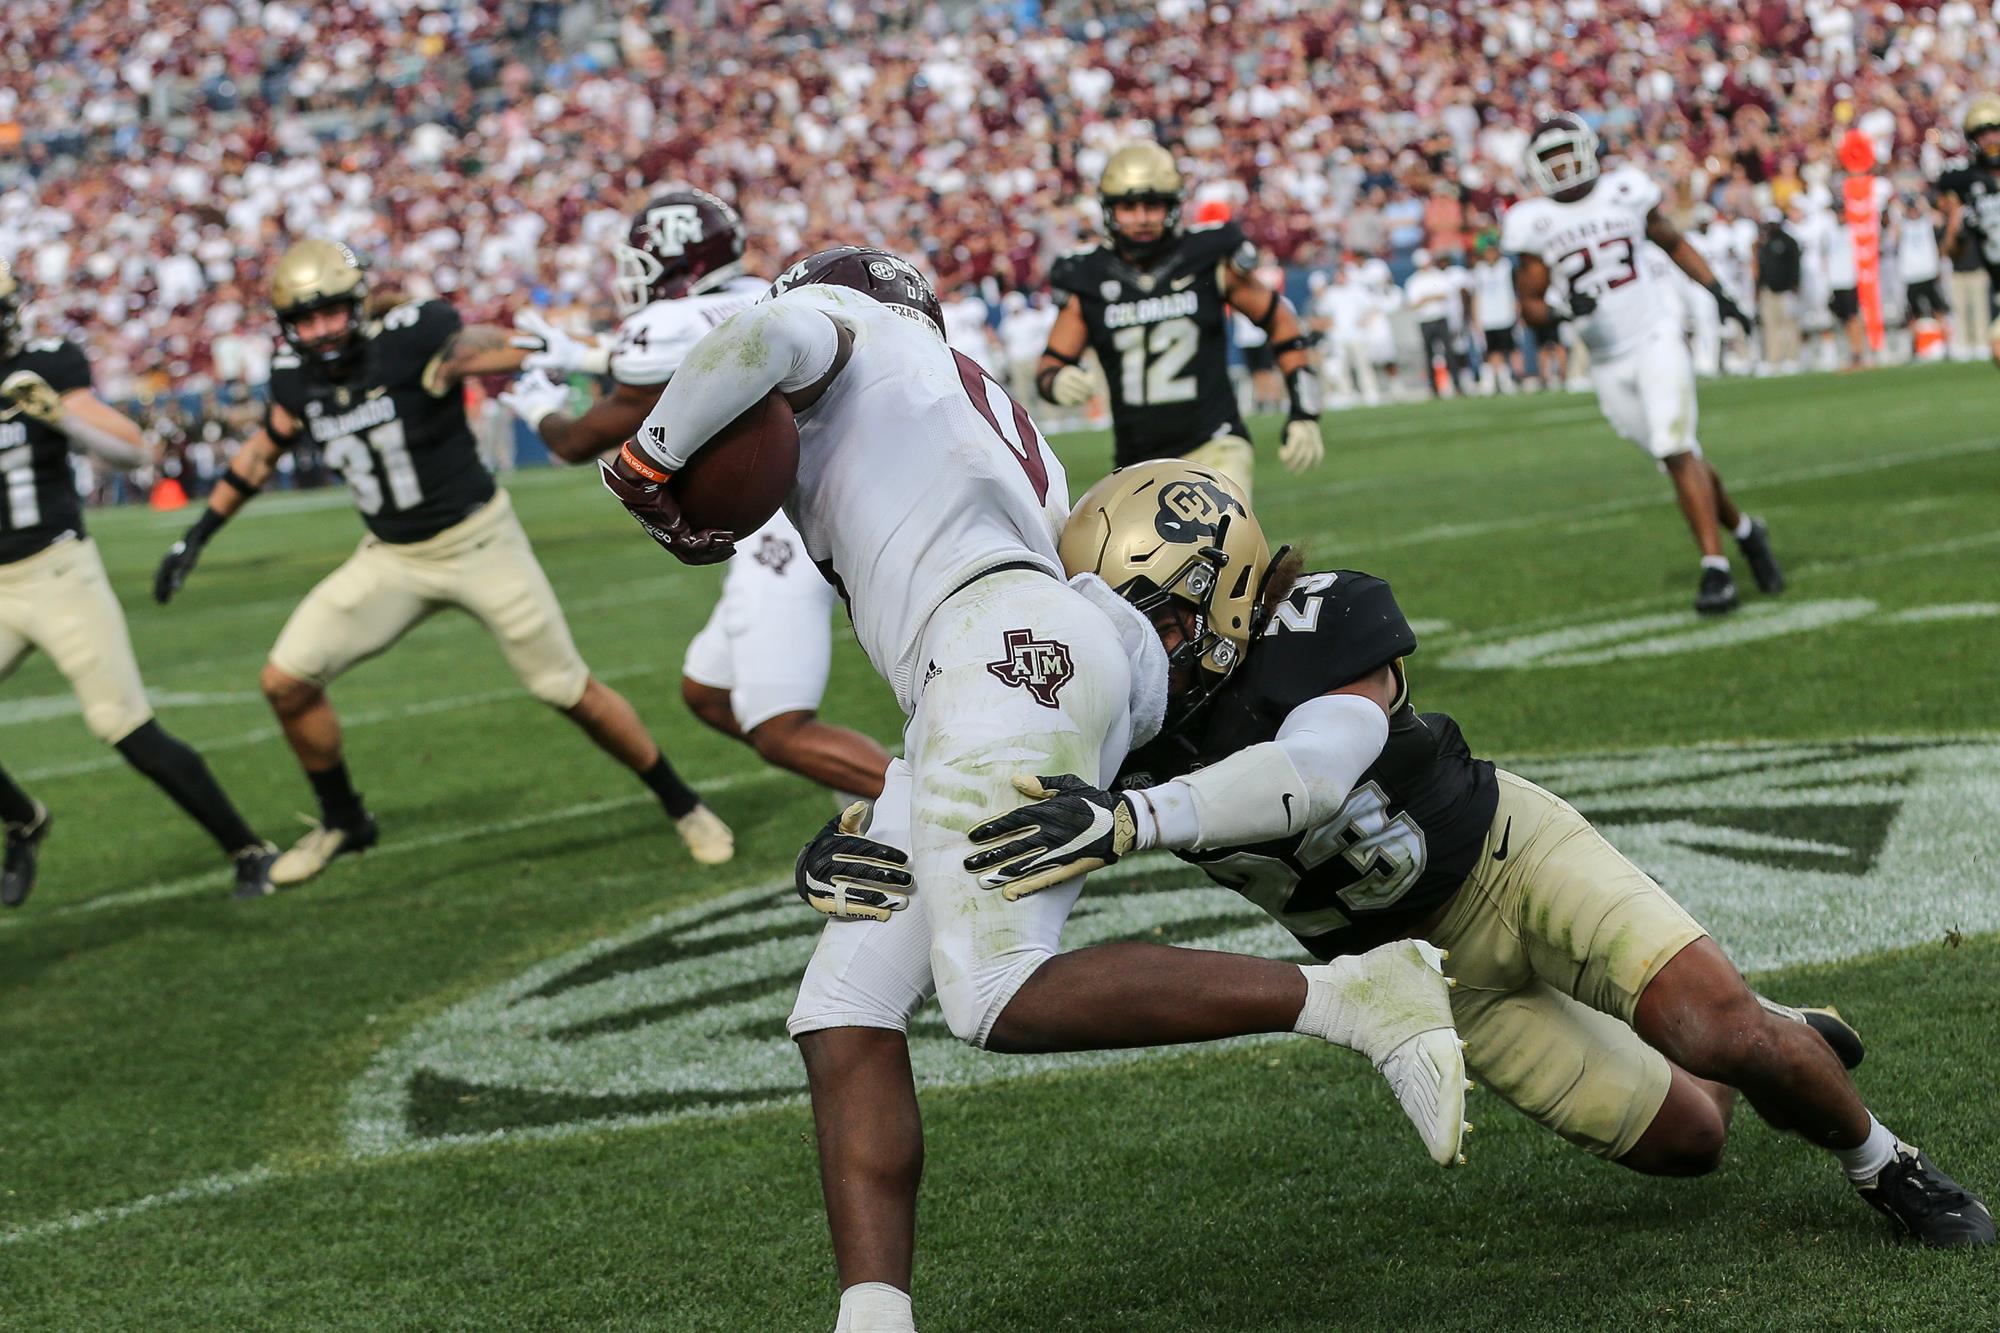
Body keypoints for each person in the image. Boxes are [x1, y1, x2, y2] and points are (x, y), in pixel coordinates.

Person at [597, 248, 1467, 1333]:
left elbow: (760, 344)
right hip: (1010, 660)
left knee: (994, 990)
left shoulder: (827, 325)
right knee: (843, 1008)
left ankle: (1355, 997)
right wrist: (902, 800)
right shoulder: (967, 403)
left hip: (996, 649)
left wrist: (647, 457)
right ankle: (871, 1321)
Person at [967, 461, 1996, 1252]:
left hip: (1511, 858)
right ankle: (1763, 1032)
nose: (1133, 649)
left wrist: (1139, 818)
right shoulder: (1121, 715)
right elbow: (971, 764)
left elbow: (1313, 771)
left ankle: (1882, 1162)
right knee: (1692, 1140)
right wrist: (878, 827)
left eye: (1155, 618)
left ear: (1224, 583)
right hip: (1430, 975)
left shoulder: (1323, 616)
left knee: (1714, 1028)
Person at [152, 238, 733, 884]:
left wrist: (593, 355)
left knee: (565, 687)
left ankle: (685, 804)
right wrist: (198, 533)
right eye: (304, 320)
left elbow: (498, 351)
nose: (319, 332)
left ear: (359, 303)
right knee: (285, 681)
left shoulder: (411, 339)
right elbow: (263, 452)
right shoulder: (297, 378)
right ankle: (344, 819)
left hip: (479, 543)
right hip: (391, 558)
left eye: (331, 314)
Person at [494, 191, 892, 800]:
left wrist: (540, 405)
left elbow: (581, 440)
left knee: (780, 728)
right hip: (832, 489)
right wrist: (585, 353)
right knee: (707, 692)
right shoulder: (765, 291)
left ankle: (921, 807)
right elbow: (697, 349)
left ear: (681, 262)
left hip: (785, 525)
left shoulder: (664, 324)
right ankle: (864, 785)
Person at [0, 259, 278, 905]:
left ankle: (247, 847)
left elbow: (132, 450)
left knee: (122, 724)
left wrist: (60, 418)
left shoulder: (46, 363)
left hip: (57, 571)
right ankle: (24, 820)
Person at [1505, 114, 1784, 616]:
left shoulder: (1625, 189)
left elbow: (1672, 241)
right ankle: (1746, 532)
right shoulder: (1532, 221)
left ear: (1589, 149)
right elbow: (1529, 303)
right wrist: (1566, 309)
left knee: (1675, 448)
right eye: (1550, 159)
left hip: (1655, 334)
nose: (1564, 165)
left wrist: (1718, 292)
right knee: (1679, 458)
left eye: (1568, 151)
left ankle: (1716, 571)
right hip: (1606, 361)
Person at [1038, 144, 1325, 497]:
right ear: (1109, 210)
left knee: (1214, 549)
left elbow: (1282, 323)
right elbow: (1051, 364)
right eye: (1129, 207)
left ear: (1173, 207)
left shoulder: (1206, 257)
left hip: (1214, 444)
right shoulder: (1088, 275)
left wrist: (1304, 411)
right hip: (1135, 460)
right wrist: (1057, 381)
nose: (1142, 218)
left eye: (1153, 205)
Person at [1938, 96, 2000, 328]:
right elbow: (1950, 250)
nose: (1991, 140)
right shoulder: (1966, 183)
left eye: (1995, 131)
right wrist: (1960, 230)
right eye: (1982, 135)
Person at [1404, 249, 1470, 396]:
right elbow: (1413, 303)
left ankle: (1457, 385)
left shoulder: (1438, 276)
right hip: (1425, 321)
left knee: (1449, 353)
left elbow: (1444, 295)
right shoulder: (1414, 281)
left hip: (1440, 319)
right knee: (1428, 355)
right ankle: (1434, 388)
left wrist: (1425, 299)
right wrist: (1429, 298)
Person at [1470, 241, 1522, 393]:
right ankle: (1501, 379)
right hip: (1488, 317)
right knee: (1493, 351)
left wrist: (1517, 310)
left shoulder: (1506, 266)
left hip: (1506, 315)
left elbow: (1515, 290)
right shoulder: (1479, 270)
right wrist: (1476, 318)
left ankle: (1516, 377)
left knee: (1511, 349)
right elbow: (1476, 296)